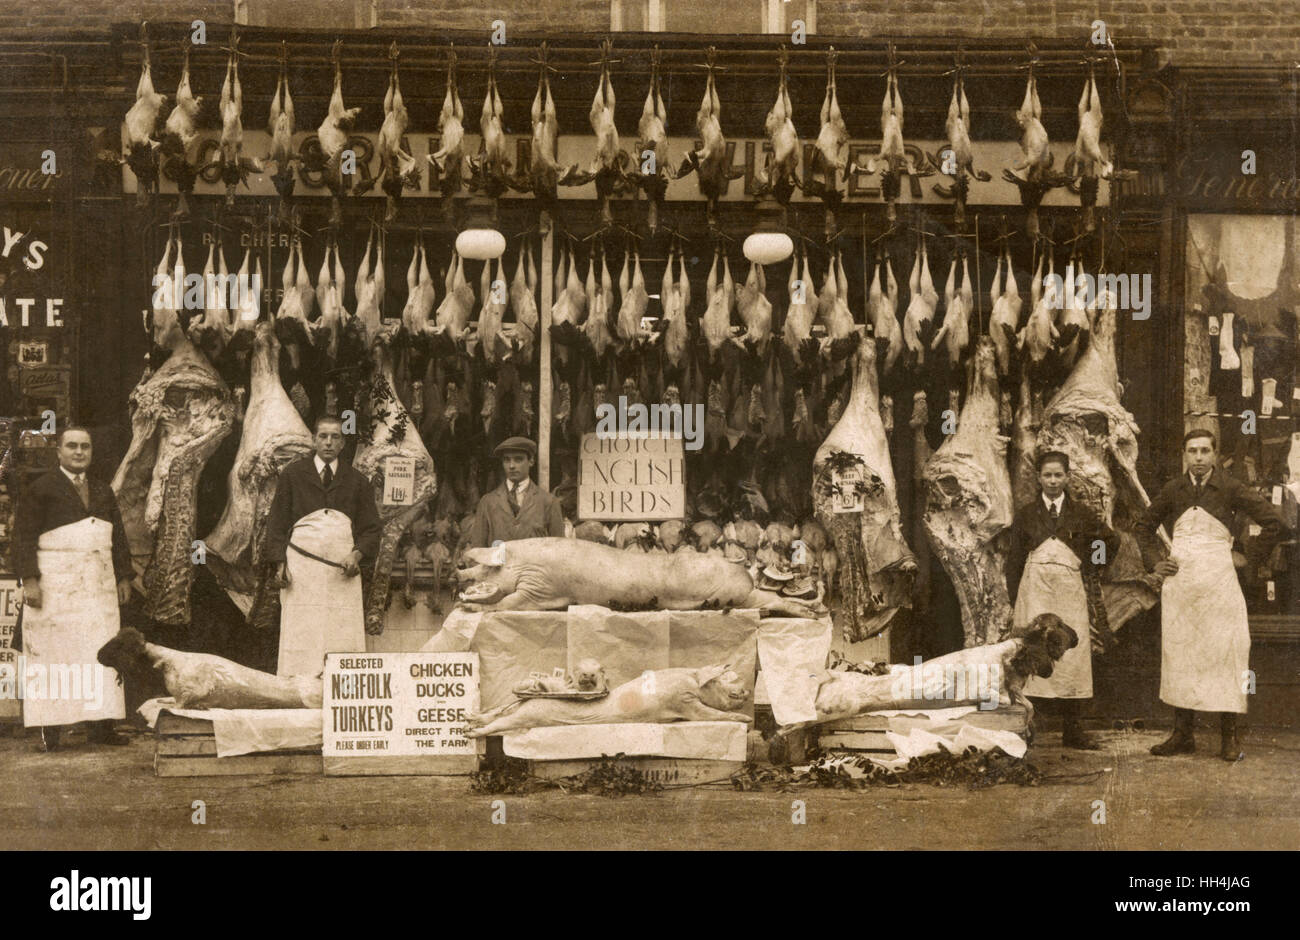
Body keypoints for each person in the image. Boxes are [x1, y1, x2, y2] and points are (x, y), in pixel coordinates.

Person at [1136, 429, 1286, 761]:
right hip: (1182, 585)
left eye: (1205, 451)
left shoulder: (1231, 487)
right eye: (1193, 451)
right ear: (1185, 455)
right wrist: (1156, 563)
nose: (1199, 457)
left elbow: (1274, 522)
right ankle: (1182, 734)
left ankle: (1228, 738)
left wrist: (1246, 554)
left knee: (1224, 653)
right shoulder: (1174, 489)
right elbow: (1143, 526)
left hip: (1219, 583)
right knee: (1182, 654)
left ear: (1215, 454)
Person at [15, 426, 133, 752]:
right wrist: (31, 580)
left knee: (100, 651)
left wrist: (124, 576)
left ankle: (101, 726)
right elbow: (23, 537)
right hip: (57, 587)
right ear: (59, 451)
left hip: (97, 587)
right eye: (72, 446)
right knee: (57, 655)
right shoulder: (41, 489)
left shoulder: (102, 491)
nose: (79, 452)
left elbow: (117, 537)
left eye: (85, 447)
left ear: (91, 452)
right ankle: (50, 728)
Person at [1006, 450, 1119, 749]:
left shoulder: (1082, 514)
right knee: (1031, 654)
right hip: (1035, 591)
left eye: (1058, 475)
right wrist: (1012, 595)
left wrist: (1093, 565)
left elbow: (1109, 540)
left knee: (1070, 658)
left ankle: (1074, 731)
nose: (1053, 481)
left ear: (1067, 477)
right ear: (1039, 478)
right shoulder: (1027, 514)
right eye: (1047, 475)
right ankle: (1027, 726)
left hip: (1069, 589)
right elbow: (1015, 558)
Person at [263, 415, 382, 674]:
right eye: (323, 436)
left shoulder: (357, 481)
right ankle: (297, 688)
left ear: (342, 443)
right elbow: (277, 522)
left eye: (335, 437)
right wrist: (279, 563)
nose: (329, 442)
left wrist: (357, 554)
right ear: (314, 440)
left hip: (343, 569)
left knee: (342, 630)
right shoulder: (292, 475)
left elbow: (372, 528)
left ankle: (342, 692)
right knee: (302, 629)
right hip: (301, 570)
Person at [465, 437, 565, 549]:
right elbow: (478, 550)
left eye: (518, 459)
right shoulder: (487, 502)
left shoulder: (549, 502)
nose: (511, 466)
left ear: (531, 461)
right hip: (498, 565)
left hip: (532, 566)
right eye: (507, 460)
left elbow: (559, 551)